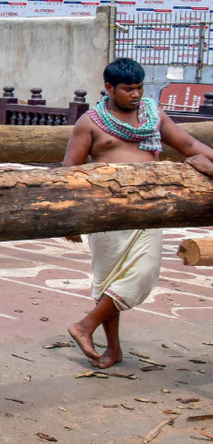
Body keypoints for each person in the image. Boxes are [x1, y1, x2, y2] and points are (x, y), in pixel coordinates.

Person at [64, 58, 213, 369]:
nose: (135, 94)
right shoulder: (89, 123)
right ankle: (113, 349)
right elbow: (69, 172)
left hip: (149, 208)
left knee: (143, 274)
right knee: (108, 280)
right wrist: (69, 218)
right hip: (105, 211)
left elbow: (188, 144)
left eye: (140, 88)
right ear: (109, 88)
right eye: (128, 89)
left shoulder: (153, 115)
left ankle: (84, 326)